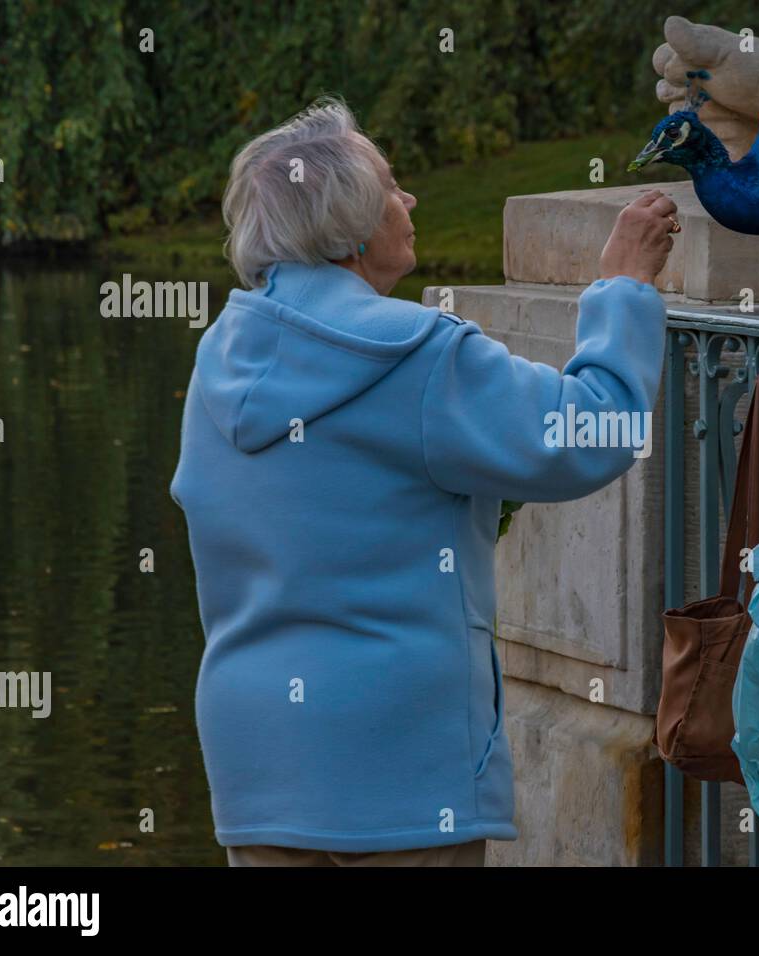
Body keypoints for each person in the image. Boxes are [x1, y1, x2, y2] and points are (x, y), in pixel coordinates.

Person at [169, 97, 678, 866]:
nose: (409, 202)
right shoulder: (417, 352)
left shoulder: (218, 358)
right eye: (392, 186)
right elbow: (591, 432)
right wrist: (624, 289)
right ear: (351, 225)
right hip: (401, 768)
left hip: (258, 761)